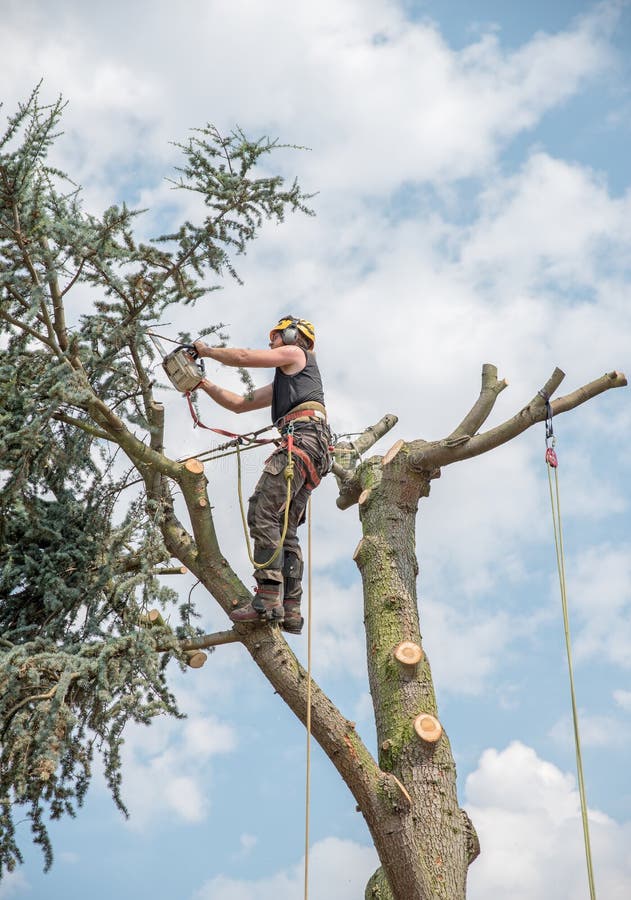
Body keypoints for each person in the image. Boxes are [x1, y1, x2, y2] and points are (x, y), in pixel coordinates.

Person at [192, 316, 331, 634]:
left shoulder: (298, 355)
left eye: (277, 337)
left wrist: (207, 351)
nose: (271, 343)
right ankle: (290, 608)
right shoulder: (288, 381)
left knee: (262, 511)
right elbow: (240, 404)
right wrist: (203, 383)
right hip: (312, 445)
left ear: (296, 336)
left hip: (303, 440)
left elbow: (243, 358)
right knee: (285, 529)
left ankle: (268, 599)